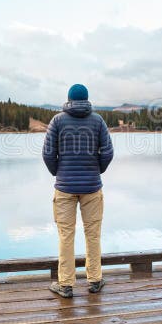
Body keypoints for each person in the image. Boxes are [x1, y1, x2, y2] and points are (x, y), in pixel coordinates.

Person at [43, 83, 113, 298]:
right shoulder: (98, 120)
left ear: (69, 99)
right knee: (93, 235)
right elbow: (108, 152)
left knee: (66, 236)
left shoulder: (57, 120)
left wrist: (59, 172)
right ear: (87, 99)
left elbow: (47, 153)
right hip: (92, 187)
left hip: (64, 188)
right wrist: (96, 170)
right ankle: (94, 280)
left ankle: (65, 285)